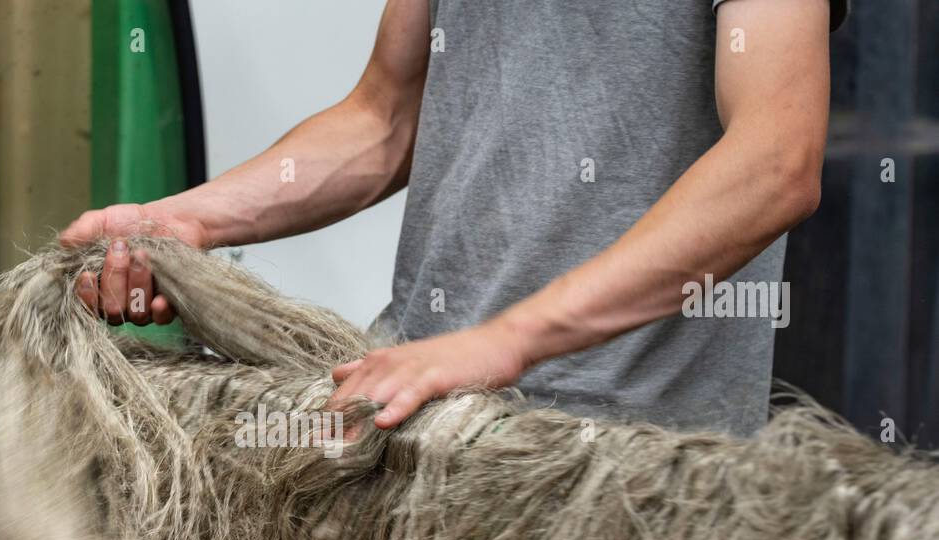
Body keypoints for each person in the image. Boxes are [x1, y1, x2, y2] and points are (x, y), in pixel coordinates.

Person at [61, 0, 849, 435]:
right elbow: (385, 119)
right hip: (413, 423)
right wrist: (188, 221)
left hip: (631, 468)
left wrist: (505, 343)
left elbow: (773, 164)